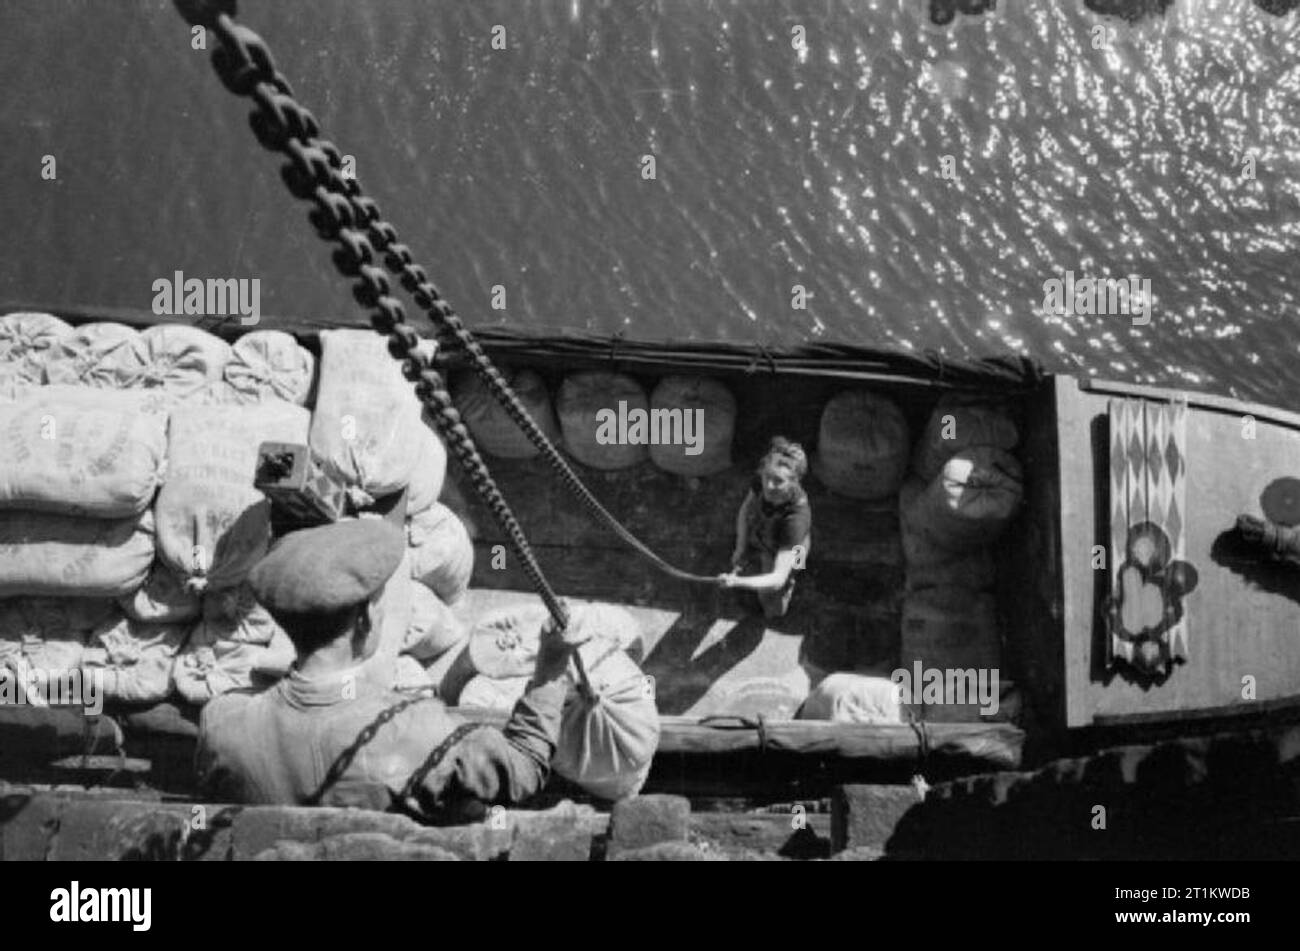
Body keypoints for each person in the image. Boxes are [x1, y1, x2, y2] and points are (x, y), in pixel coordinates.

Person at [195, 517, 584, 821]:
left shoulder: (221, 724)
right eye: (379, 601)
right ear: (366, 620)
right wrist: (549, 672)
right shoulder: (420, 731)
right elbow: (524, 770)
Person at [717, 437, 812, 618]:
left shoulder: (796, 519)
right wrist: (740, 545)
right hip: (768, 533)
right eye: (767, 476)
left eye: (778, 481)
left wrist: (737, 582)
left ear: (794, 482)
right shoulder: (764, 478)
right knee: (763, 558)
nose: (769, 486)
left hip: (794, 546)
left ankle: (785, 595)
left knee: (776, 593)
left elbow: (776, 579)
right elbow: (746, 509)